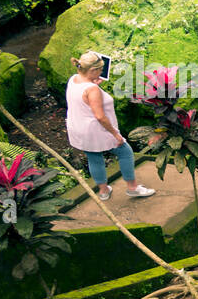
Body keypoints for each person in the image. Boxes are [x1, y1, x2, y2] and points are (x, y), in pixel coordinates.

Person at [64, 51, 154, 201]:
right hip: (96, 130)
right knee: (125, 151)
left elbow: (83, 97)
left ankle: (103, 191)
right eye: (100, 69)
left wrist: (94, 84)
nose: (102, 72)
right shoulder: (91, 89)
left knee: (94, 157)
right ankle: (132, 188)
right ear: (92, 71)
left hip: (78, 128)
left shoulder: (74, 79)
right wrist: (115, 134)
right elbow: (100, 116)